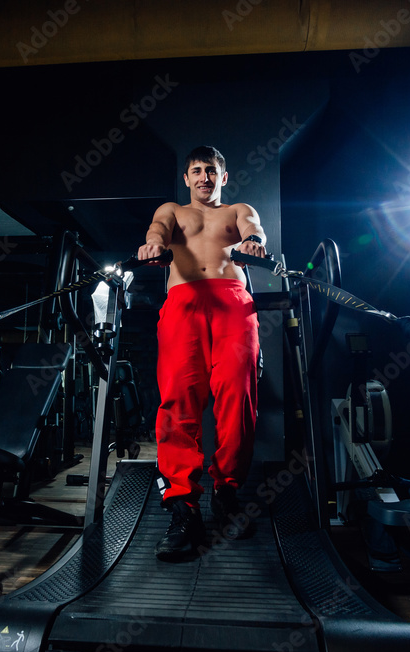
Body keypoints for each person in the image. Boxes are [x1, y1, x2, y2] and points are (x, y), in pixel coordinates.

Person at [137, 145, 267, 561]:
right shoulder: (174, 211)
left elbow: (253, 228)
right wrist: (153, 246)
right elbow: (157, 229)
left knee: (238, 400)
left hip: (233, 304)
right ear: (187, 178)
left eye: (211, 171)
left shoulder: (237, 211)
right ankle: (183, 507)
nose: (204, 178)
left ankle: (227, 492)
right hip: (184, 304)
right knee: (178, 401)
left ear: (222, 177)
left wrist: (253, 242)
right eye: (196, 171)